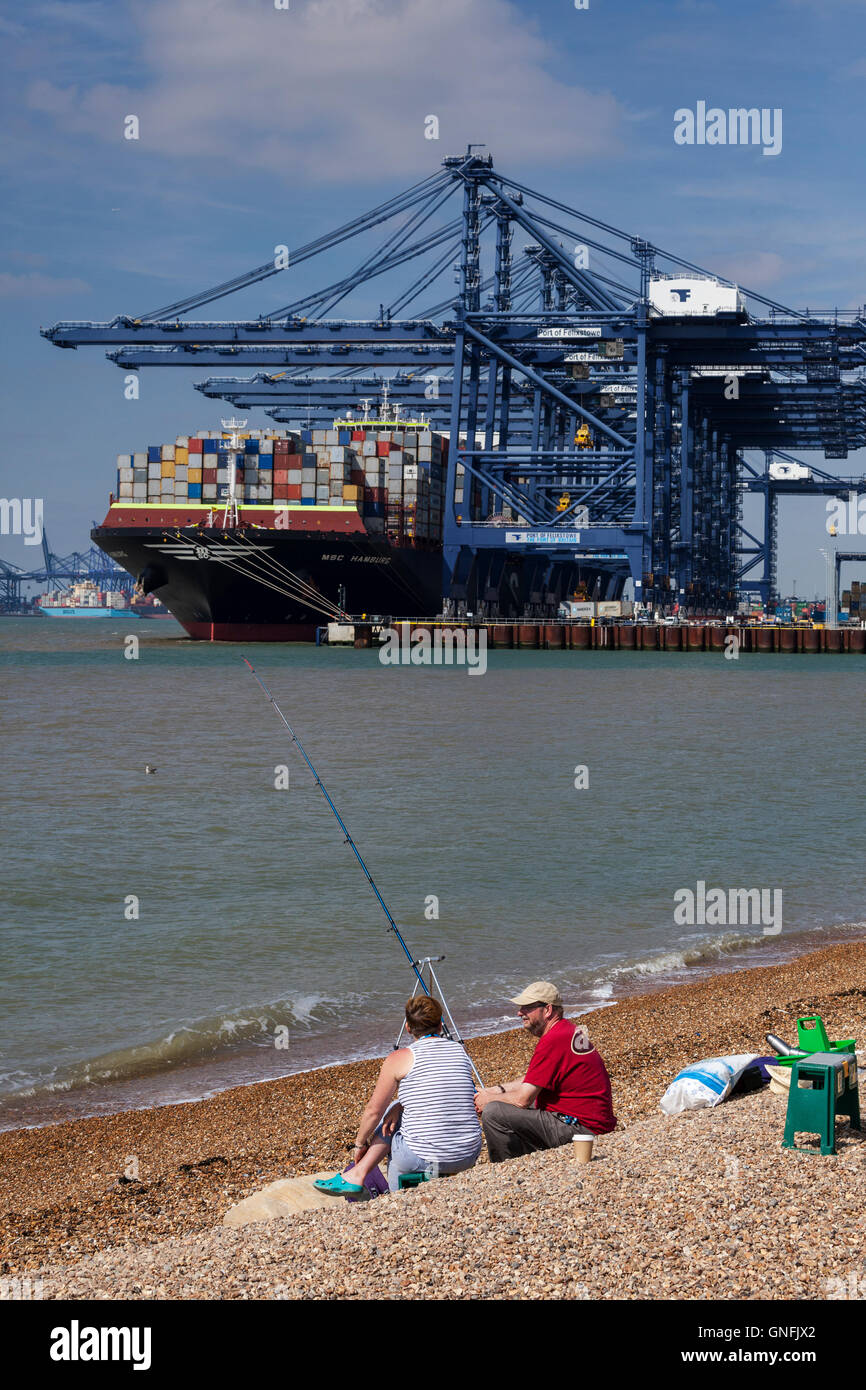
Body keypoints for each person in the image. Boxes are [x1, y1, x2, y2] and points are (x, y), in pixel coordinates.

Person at [314, 995, 482, 1197]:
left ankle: (392, 1198)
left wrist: (360, 1144)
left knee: (392, 1124)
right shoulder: (460, 1050)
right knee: (396, 1106)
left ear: (408, 1028)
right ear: (440, 1024)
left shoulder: (399, 1058)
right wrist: (400, 1106)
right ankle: (360, 1175)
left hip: (425, 1158)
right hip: (469, 1153)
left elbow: (373, 1111)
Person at [474, 981, 616, 1162]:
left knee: (494, 1112)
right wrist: (495, 1091)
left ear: (547, 1010)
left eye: (526, 1007)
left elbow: (522, 1100)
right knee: (505, 1103)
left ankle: (505, 1168)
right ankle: (525, 1157)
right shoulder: (566, 1030)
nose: (519, 1012)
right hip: (588, 1122)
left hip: (583, 1130)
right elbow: (535, 1078)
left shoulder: (554, 1039)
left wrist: (488, 1100)